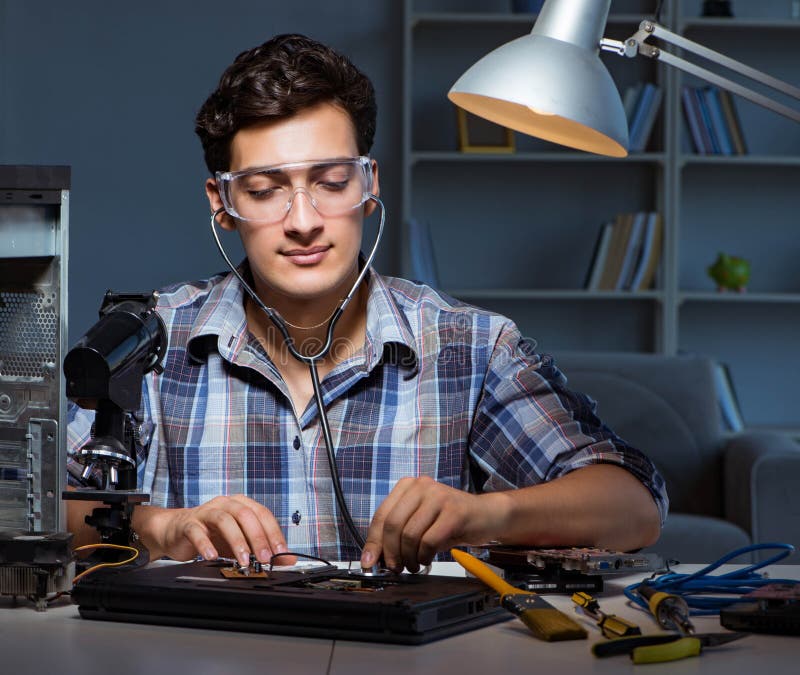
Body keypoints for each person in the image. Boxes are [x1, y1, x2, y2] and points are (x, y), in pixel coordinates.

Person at [67, 33, 667, 574]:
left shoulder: (470, 347)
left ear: (369, 185)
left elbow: (633, 506)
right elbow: (30, 505)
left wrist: (484, 515)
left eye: (331, 183)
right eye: (264, 190)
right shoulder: (150, 338)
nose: (303, 221)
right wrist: (159, 527)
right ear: (221, 202)